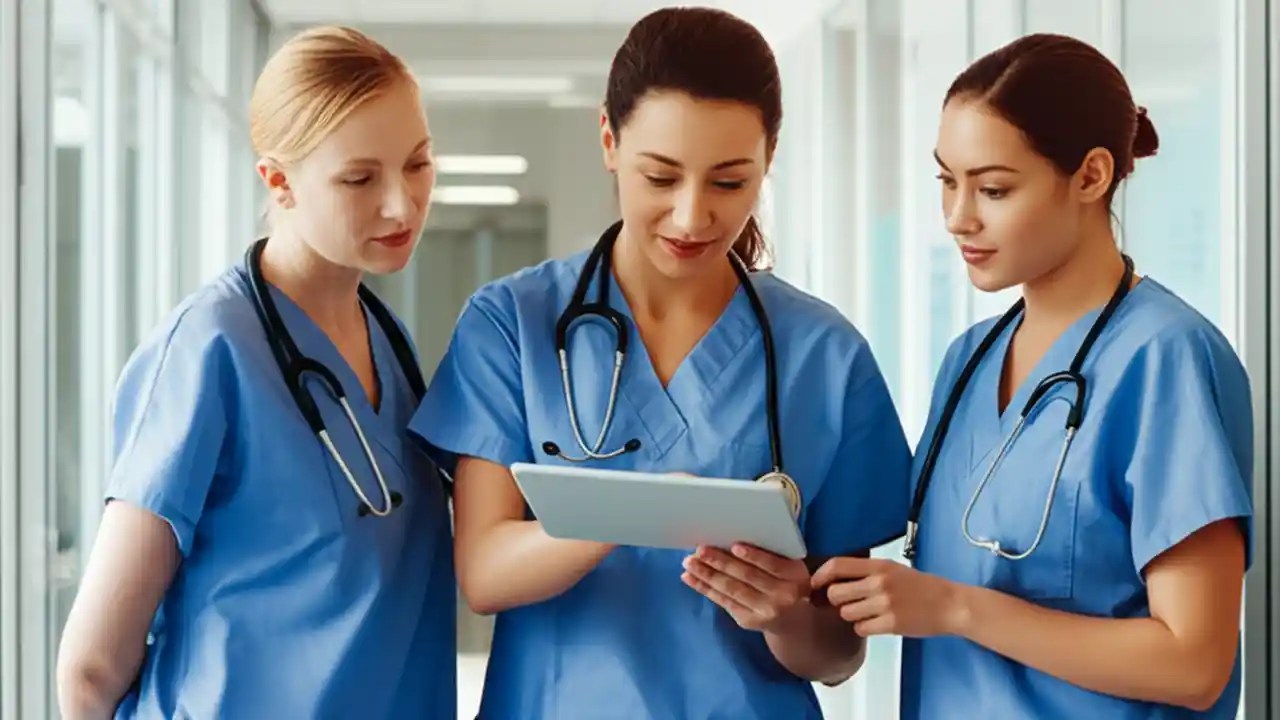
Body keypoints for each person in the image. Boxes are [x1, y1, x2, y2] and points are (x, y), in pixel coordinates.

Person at [410, 7, 910, 719]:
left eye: (730, 182)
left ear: (769, 158)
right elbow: (485, 573)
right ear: (610, 141)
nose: (690, 216)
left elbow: (837, 654)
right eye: (661, 176)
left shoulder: (823, 356)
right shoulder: (513, 324)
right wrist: (639, 510)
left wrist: (784, 615)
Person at [811, 33, 1253, 719]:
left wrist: (957, 608)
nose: (958, 217)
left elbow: (1194, 662)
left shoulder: (1165, 358)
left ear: (1091, 176)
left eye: (993, 188)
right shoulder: (968, 360)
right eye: (946, 181)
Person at [55, 26, 455, 720]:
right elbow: (90, 669)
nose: (401, 203)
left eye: (417, 163)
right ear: (278, 180)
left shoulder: (388, 344)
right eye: (360, 178)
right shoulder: (210, 349)